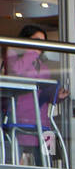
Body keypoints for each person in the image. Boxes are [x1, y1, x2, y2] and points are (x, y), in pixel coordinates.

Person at [1, 25, 67, 161]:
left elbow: (44, 92)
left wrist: (56, 95)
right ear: (26, 40)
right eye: (37, 40)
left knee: (49, 160)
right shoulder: (13, 53)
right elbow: (16, 72)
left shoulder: (42, 65)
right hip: (18, 118)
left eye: (43, 41)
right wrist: (31, 52)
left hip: (43, 121)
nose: (40, 45)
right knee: (12, 161)